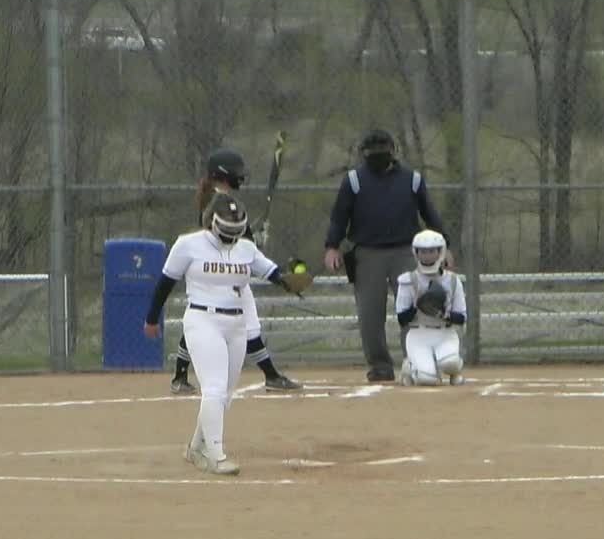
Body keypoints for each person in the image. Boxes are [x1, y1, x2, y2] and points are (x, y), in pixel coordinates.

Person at [144, 193, 305, 476]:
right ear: (211, 223)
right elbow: (165, 283)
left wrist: (289, 281)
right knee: (214, 388)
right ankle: (215, 454)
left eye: (236, 231)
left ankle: (195, 448)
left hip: (236, 325)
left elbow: (271, 271)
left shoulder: (245, 248)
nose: (231, 237)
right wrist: (151, 318)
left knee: (225, 395)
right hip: (202, 319)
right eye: (226, 231)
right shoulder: (188, 244)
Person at [169, 147, 302, 394]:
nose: (240, 177)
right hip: (225, 274)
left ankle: (179, 375)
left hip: (225, 272)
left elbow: (236, 235)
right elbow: (228, 236)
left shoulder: (216, 196)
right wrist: (252, 239)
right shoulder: (217, 199)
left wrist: (252, 236)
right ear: (223, 173)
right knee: (245, 324)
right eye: (236, 173)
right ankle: (271, 375)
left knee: (199, 320)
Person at [323, 129, 450, 382]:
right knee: (370, 313)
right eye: (373, 150)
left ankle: (417, 361)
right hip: (367, 253)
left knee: (413, 310)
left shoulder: (412, 179)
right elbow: (339, 217)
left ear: (394, 150)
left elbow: (430, 215)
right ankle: (379, 365)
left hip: (405, 251)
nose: (379, 155)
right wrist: (332, 246)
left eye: (383, 148)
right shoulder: (354, 181)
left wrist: (445, 247)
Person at [396, 230, 467, 386]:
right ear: (416, 253)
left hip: (445, 333)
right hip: (418, 334)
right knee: (426, 379)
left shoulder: (453, 280)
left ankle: (453, 370)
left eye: (431, 251)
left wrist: (445, 315)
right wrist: (417, 306)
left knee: (450, 364)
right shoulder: (408, 280)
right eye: (423, 252)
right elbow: (402, 319)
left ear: (440, 252)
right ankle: (410, 366)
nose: (427, 256)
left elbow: (461, 317)